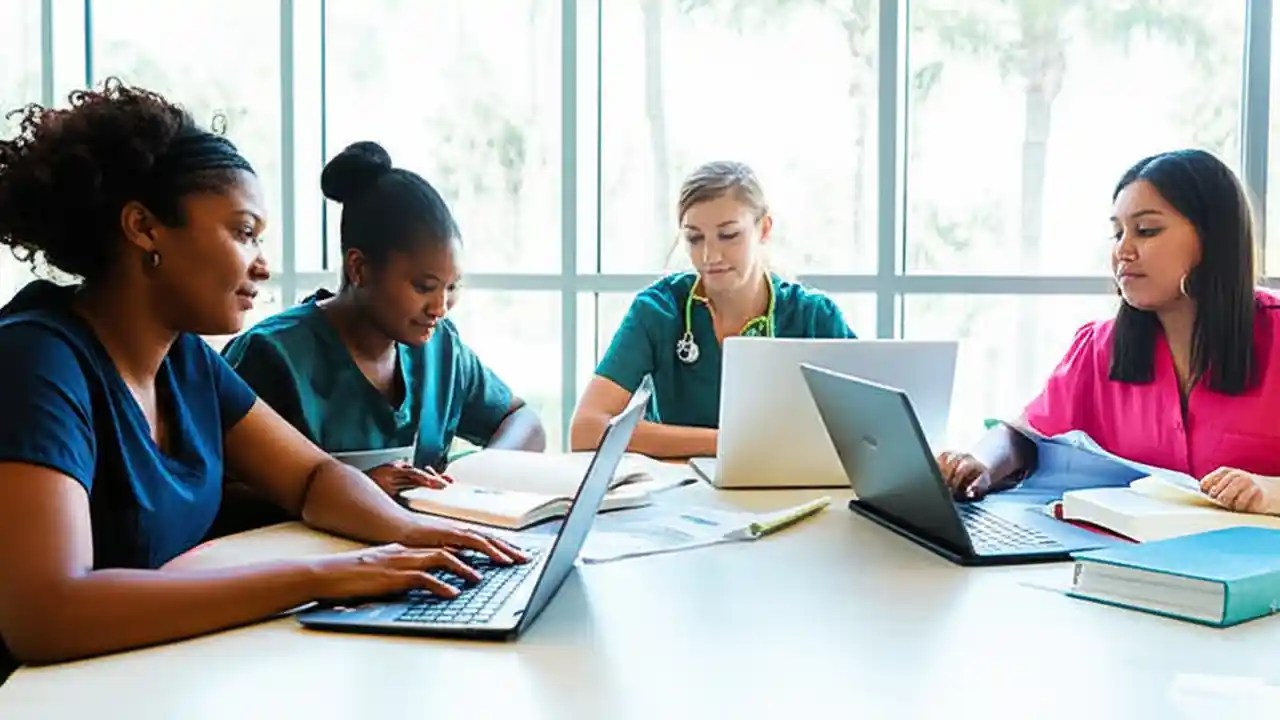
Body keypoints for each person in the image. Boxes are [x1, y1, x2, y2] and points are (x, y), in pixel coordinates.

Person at [0, 81, 526, 680]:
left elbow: (312, 476)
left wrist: (414, 533)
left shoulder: (185, 361)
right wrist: (322, 578)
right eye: (243, 232)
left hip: (149, 676)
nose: (263, 265)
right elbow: (42, 612)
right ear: (144, 228)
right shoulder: (37, 361)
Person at [936, 149, 1280, 515]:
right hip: (1125, 564)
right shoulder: (1099, 349)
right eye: (1117, 233)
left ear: (1214, 238)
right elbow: (1025, 435)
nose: (1123, 250)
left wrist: (1268, 491)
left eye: (1146, 230)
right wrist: (979, 463)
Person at [222, 141, 546, 501]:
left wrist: (479, 477)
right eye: (424, 286)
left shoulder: (441, 350)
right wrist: (347, 493)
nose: (440, 307)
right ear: (359, 268)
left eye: (451, 287)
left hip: (420, 549)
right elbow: (215, 493)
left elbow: (524, 422)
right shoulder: (271, 356)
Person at [570, 160, 856, 459]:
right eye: (694, 238)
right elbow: (586, 429)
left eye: (729, 235)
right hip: (678, 494)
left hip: (787, 494)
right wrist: (724, 443)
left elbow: (870, 427)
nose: (710, 255)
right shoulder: (658, 310)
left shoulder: (814, 317)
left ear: (764, 229)